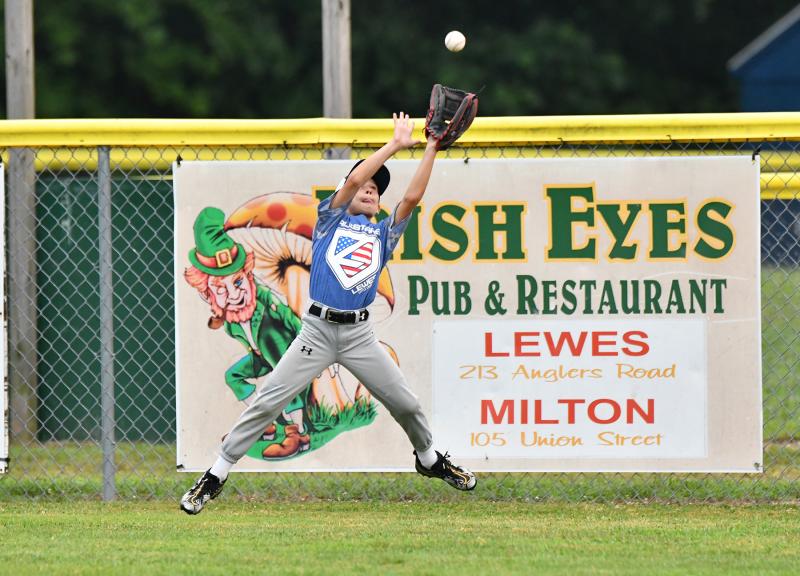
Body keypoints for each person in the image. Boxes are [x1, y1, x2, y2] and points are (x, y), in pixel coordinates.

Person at [181, 112, 477, 515]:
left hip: (359, 336)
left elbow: (410, 199)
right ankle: (215, 474)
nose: (371, 190)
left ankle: (428, 460)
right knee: (269, 401)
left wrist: (430, 147)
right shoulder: (328, 218)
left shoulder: (382, 235)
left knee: (406, 404)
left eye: (377, 189)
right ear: (345, 191)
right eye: (365, 185)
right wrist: (394, 145)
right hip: (317, 333)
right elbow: (354, 180)